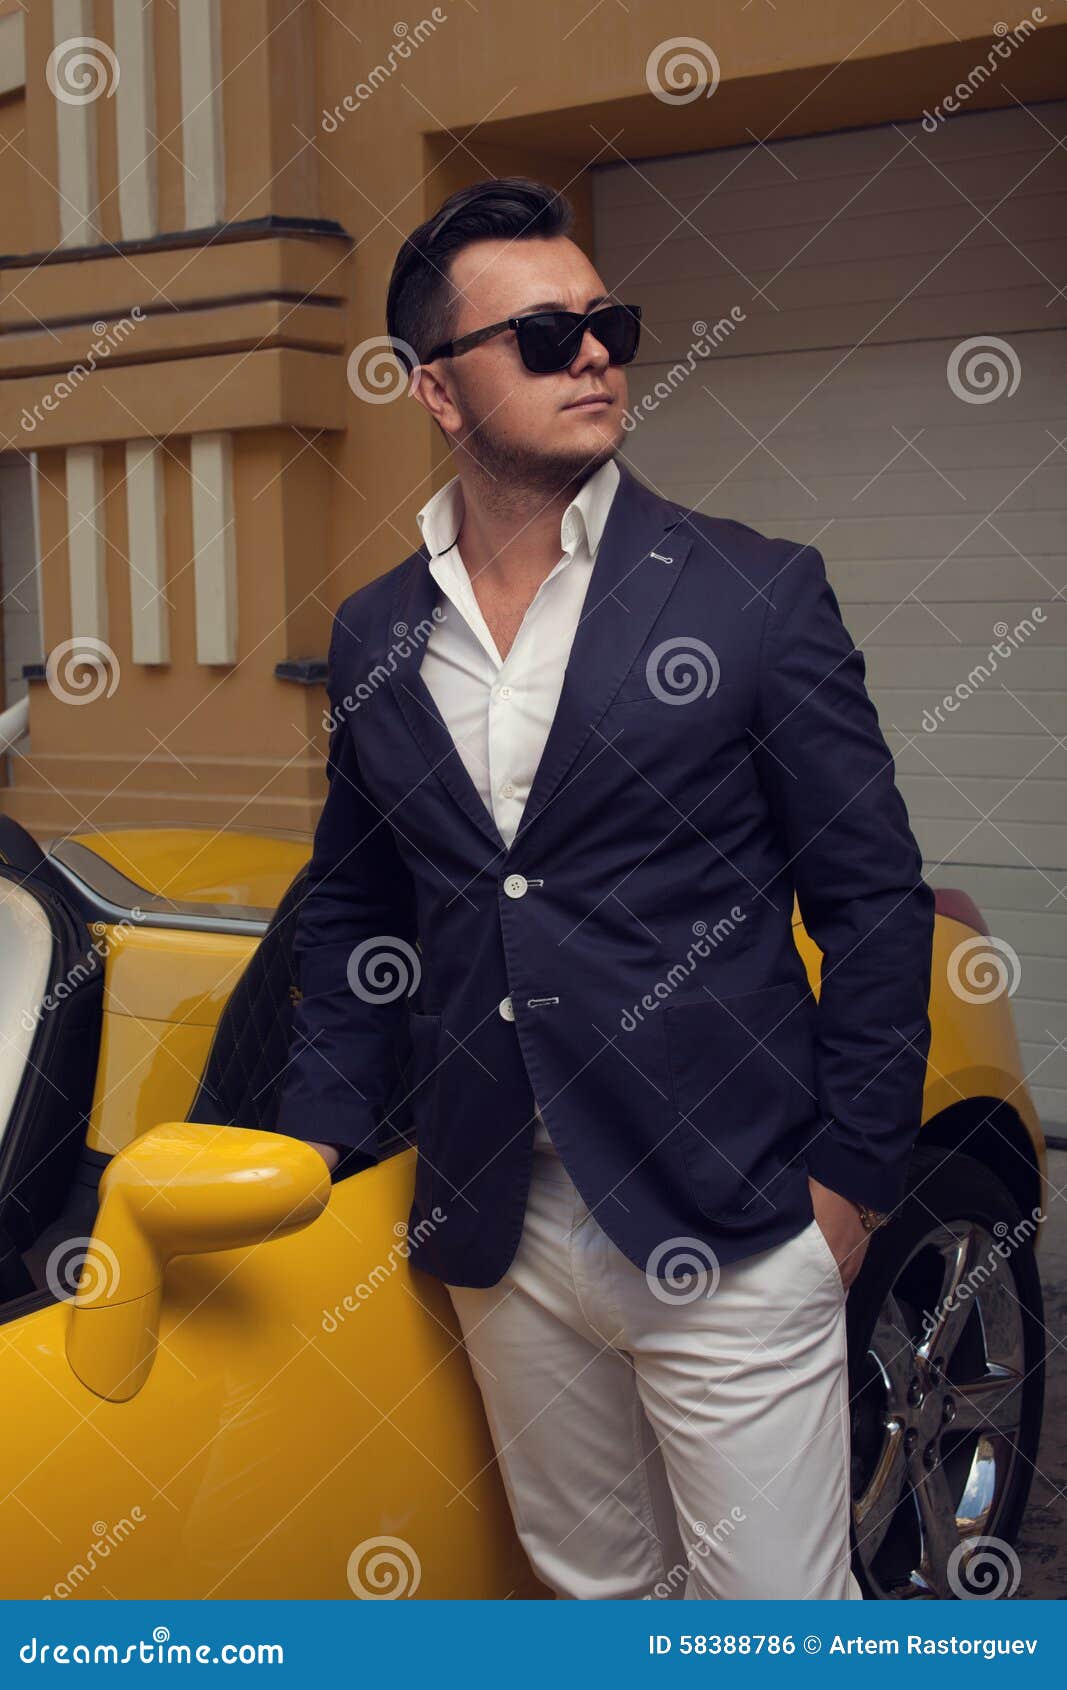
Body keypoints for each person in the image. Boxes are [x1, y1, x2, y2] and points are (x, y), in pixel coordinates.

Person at [275, 176, 935, 1600]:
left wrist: (849, 1190)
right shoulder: (378, 629)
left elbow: (875, 895)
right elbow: (355, 906)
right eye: (546, 333)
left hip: (736, 1212)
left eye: (609, 322)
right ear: (437, 389)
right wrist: (318, 1148)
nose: (595, 353)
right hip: (499, 1220)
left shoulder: (749, 595)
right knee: (595, 1602)